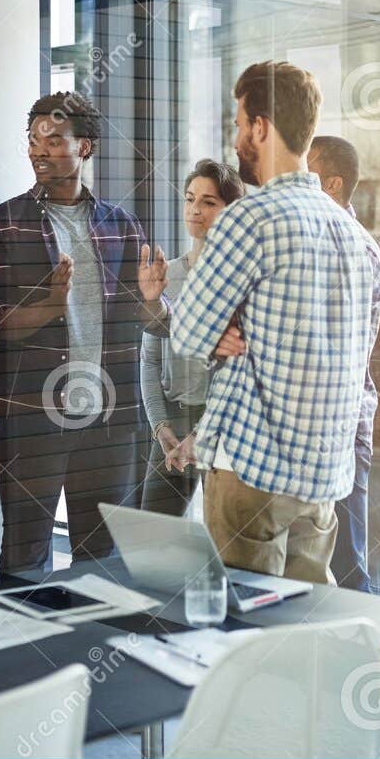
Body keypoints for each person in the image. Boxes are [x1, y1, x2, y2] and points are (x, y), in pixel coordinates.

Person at [170, 62, 380, 583]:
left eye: (239, 123)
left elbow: (188, 332)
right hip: (322, 479)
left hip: (252, 472)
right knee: (303, 634)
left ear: (260, 128)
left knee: (245, 633)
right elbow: (356, 356)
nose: (237, 137)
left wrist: (224, 328)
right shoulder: (360, 240)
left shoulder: (250, 218)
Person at [0, 92, 169, 577]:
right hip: (32, 419)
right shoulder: (1, 223)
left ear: (86, 147)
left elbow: (154, 324)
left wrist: (151, 298)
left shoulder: (121, 226)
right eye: (34, 140)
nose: (40, 150)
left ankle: (90, 651)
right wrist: (49, 306)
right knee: (25, 558)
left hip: (110, 422)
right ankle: (15, 652)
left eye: (54, 140)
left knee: (104, 563)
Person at [140, 159, 244, 516]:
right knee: (153, 540)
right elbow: (150, 358)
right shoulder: (165, 275)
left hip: (224, 429)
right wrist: (161, 427)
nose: (195, 209)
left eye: (209, 202)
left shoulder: (243, 280)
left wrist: (201, 434)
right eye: (189, 199)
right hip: (172, 422)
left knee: (226, 543)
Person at [308, 134, 380, 592]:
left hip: (342, 431)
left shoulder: (355, 249)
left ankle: (370, 663)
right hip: (319, 431)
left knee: (348, 568)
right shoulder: (319, 243)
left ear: (332, 184)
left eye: (307, 171)